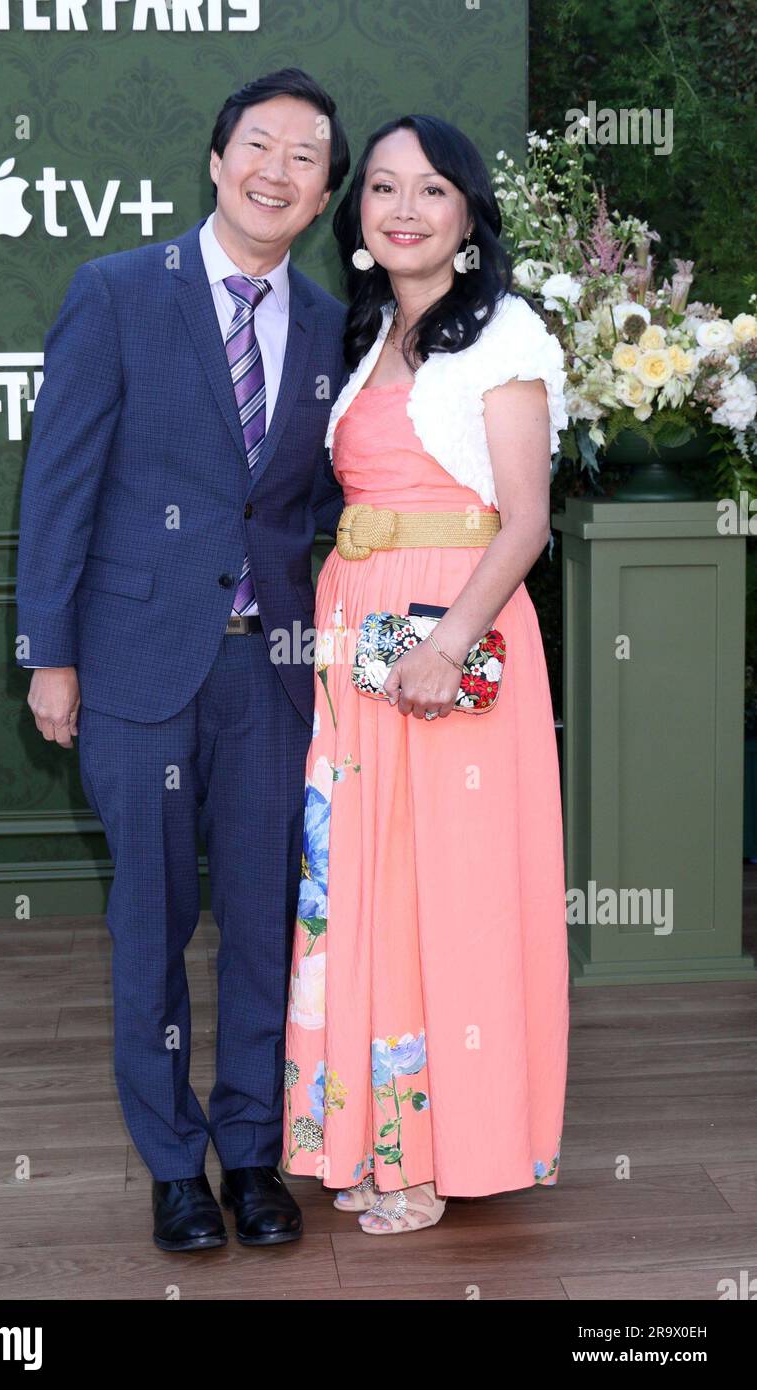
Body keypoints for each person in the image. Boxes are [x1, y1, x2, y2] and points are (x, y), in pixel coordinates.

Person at [15, 69, 351, 1252]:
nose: (275, 169)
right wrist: (48, 655)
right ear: (215, 163)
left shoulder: (324, 326)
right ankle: (170, 1161)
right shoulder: (115, 294)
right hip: (135, 669)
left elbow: (315, 507)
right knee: (150, 922)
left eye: (303, 156)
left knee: (265, 921)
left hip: (271, 674)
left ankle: (252, 1153)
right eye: (256, 145)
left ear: (321, 195)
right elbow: (57, 485)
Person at [281, 114, 570, 1233]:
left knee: (451, 889)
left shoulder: (502, 332)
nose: (402, 208)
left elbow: (525, 520)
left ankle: (446, 1150)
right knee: (365, 883)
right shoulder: (364, 338)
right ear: (356, 218)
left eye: (431, 189)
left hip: (457, 630)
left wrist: (446, 641)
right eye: (383, 189)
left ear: (466, 214)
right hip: (356, 638)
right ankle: (370, 1133)